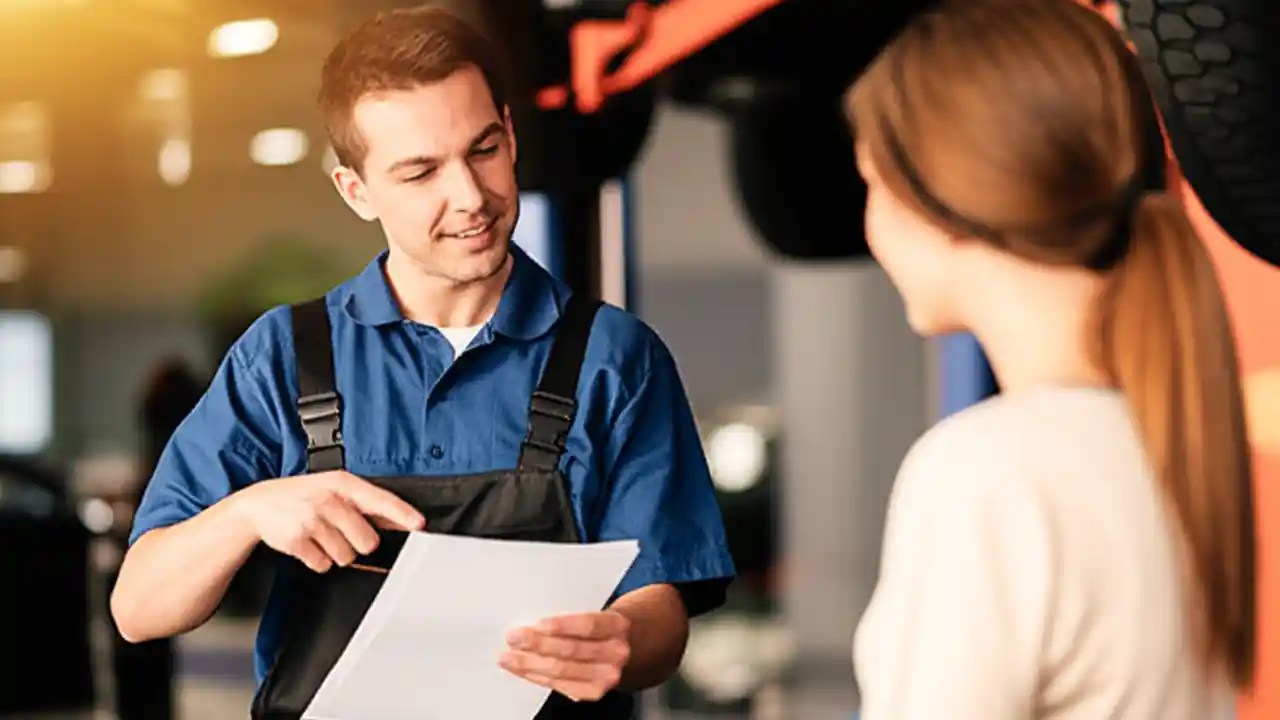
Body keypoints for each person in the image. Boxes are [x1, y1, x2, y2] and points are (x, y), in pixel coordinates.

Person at [110, 6, 735, 718]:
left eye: (483, 149)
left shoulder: (614, 359)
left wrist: (621, 638)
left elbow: (660, 600)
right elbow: (140, 608)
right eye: (420, 173)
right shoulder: (282, 358)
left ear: (510, 131)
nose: (469, 197)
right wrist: (251, 510)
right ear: (357, 191)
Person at [844, 1, 1255, 718]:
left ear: (945, 198)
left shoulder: (990, 473)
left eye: (873, 184)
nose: (869, 223)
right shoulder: (1171, 434)